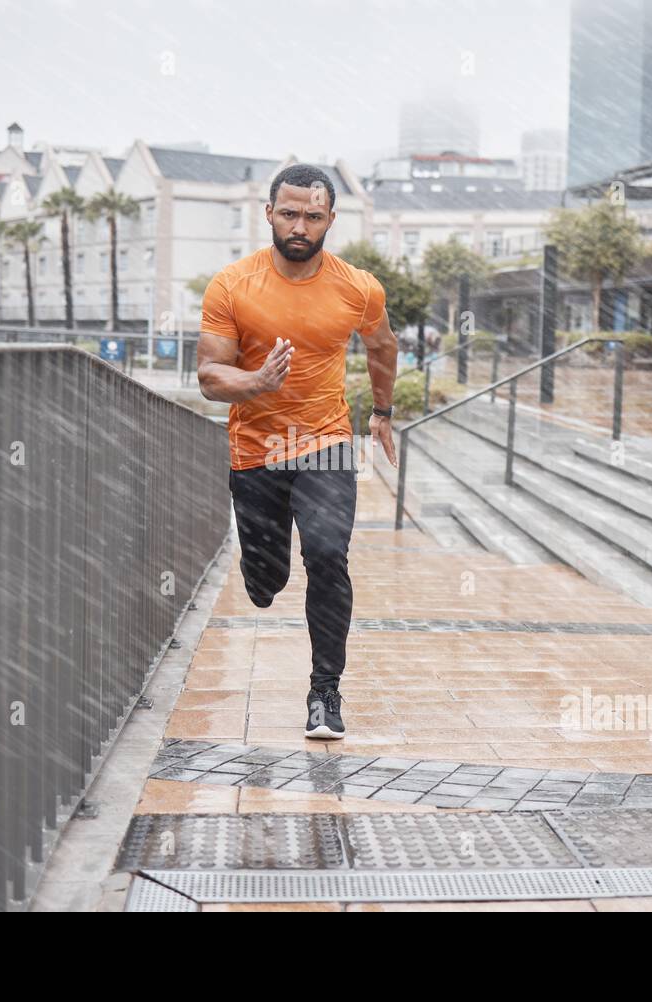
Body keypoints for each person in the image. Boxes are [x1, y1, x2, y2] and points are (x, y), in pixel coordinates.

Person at [196, 164, 399, 740]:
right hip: (256, 447)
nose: (300, 225)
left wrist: (381, 412)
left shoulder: (358, 287)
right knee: (266, 584)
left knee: (329, 555)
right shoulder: (232, 284)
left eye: (313, 215)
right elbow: (210, 376)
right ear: (269, 214)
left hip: (325, 443)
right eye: (289, 213)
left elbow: (382, 346)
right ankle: (261, 570)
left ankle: (325, 692)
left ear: (331, 219)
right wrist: (257, 382)